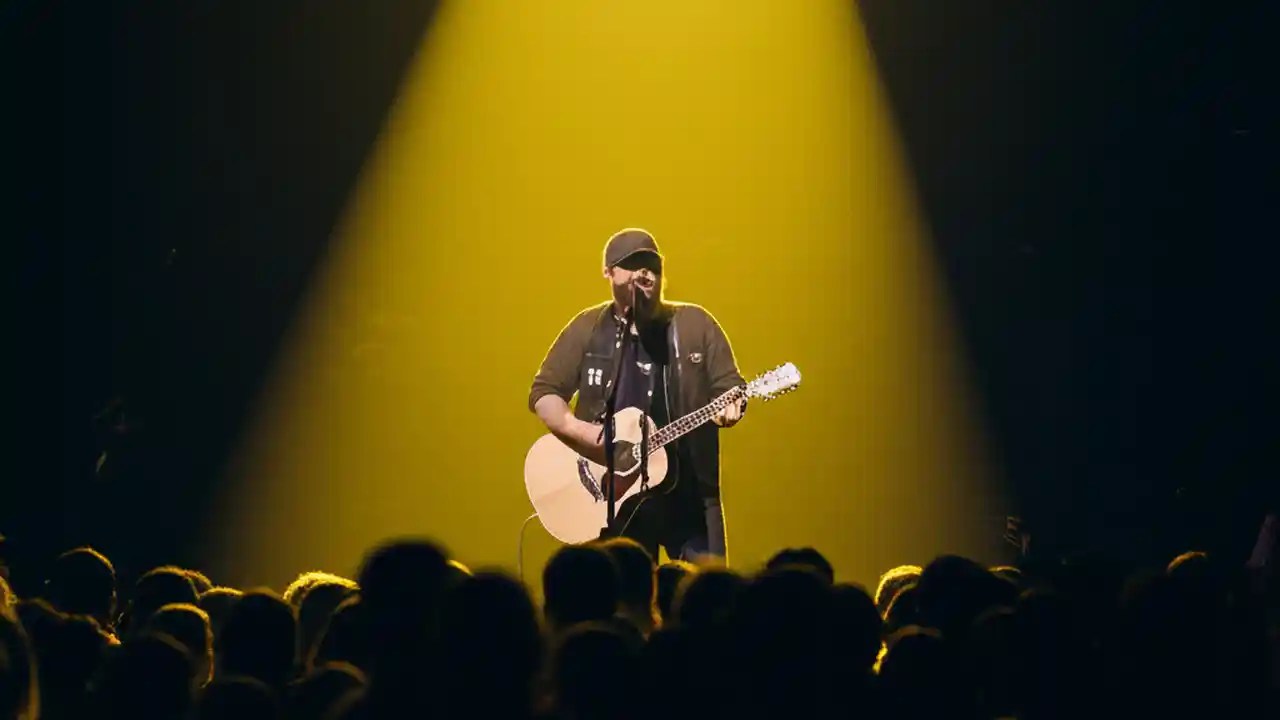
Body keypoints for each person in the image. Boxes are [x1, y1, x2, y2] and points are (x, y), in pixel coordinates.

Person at [528, 228, 746, 563]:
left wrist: (734, 404)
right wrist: (586, 434)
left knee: (709, 600)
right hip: (615, 498)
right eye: (632, 264)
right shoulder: (588, 327)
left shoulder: (695, 324)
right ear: (609, 272)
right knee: (619, 600)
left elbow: (729, 386)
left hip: (688, 497)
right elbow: (544, 393)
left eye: (652, 265)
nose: (644, 272)